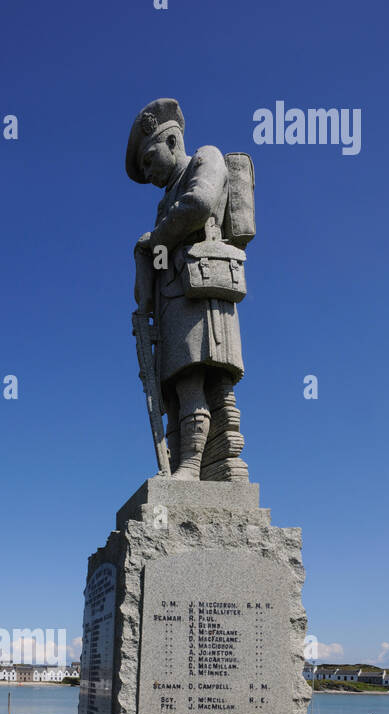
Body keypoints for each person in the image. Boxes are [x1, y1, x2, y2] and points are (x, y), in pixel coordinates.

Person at [126, 99, 250, 480]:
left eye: (149, 160)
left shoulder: (205, 160)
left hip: (202, 294)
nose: (148, 173)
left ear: (173, 142)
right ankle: (189, 462)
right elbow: (162, 259)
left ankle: (194, 466)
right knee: (178, 388)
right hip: (173, 303)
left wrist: (156, 238)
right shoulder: (164, 203)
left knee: (197, 380)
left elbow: (199, 204)